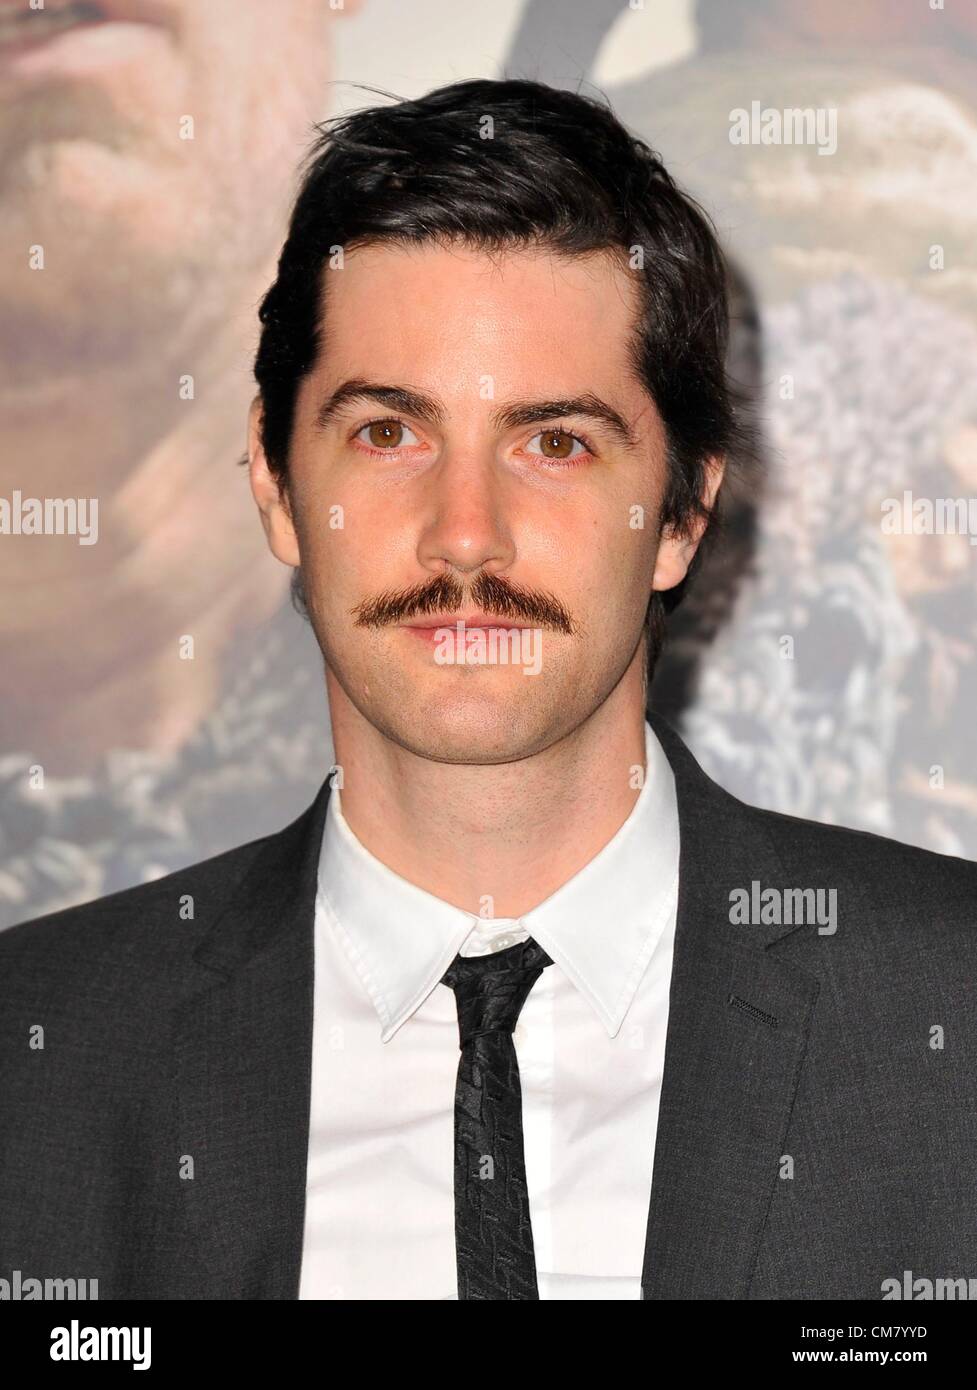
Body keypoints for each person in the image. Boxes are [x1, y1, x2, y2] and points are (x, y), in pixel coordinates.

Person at [1, 77, 975, 1302]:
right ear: (270, 480)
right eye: (387, 434)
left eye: (554, 442)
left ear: (678, 513)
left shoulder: (950, 1026)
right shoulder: (34, 1064)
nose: (465, 537)